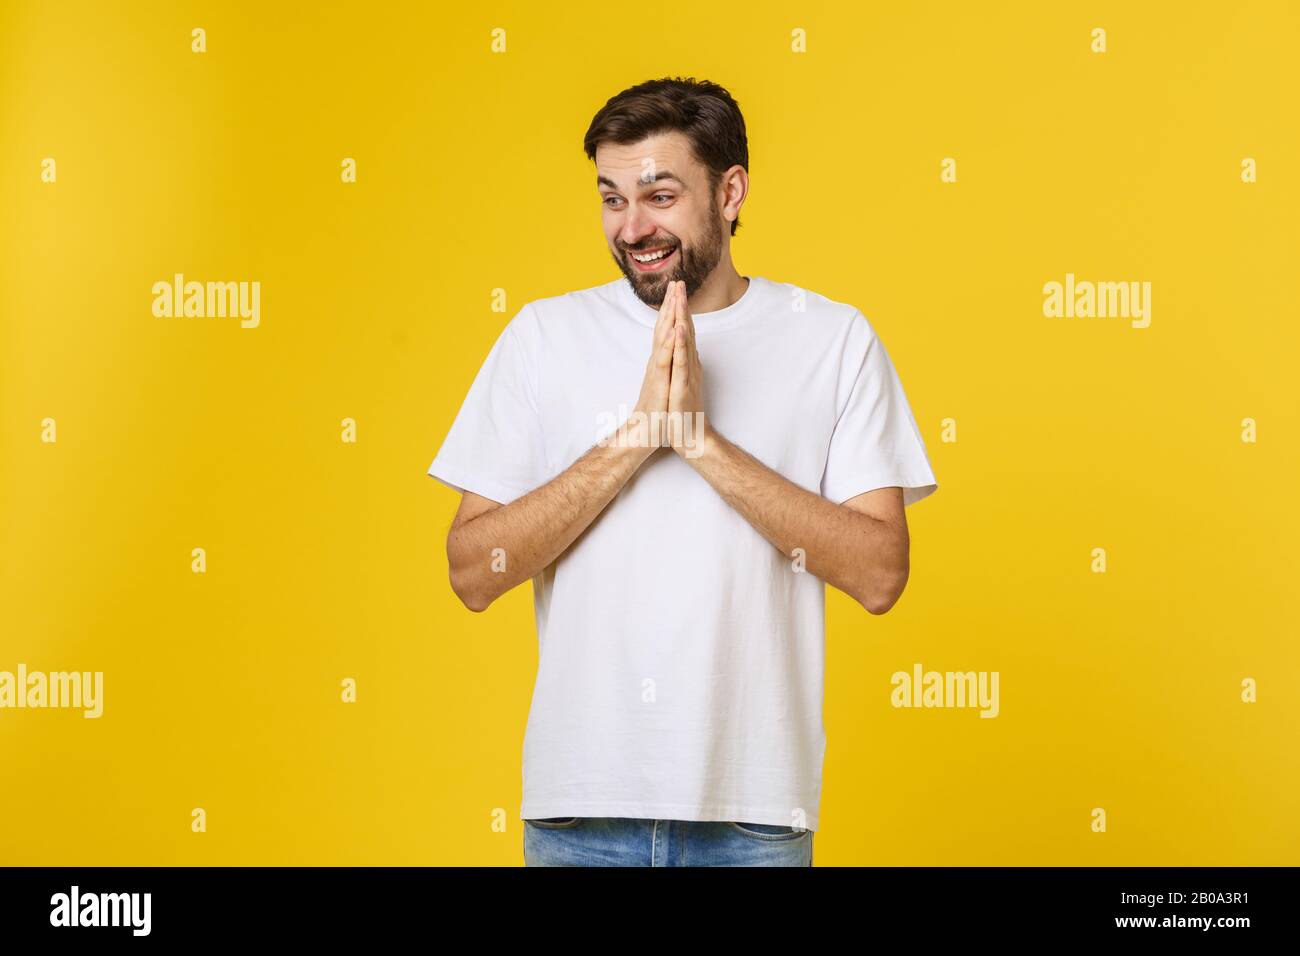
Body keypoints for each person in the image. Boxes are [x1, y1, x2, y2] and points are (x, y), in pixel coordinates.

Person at [427, 77, 938, 866]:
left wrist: (700, 442)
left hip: (754, 817)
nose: (633, 227)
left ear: (729, 192)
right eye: (611, 199)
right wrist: (636, 439)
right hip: (578, 816)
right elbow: (471, 572)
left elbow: (879, 574)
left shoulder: (833, 341)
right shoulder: (543, 337)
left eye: (659, 195)